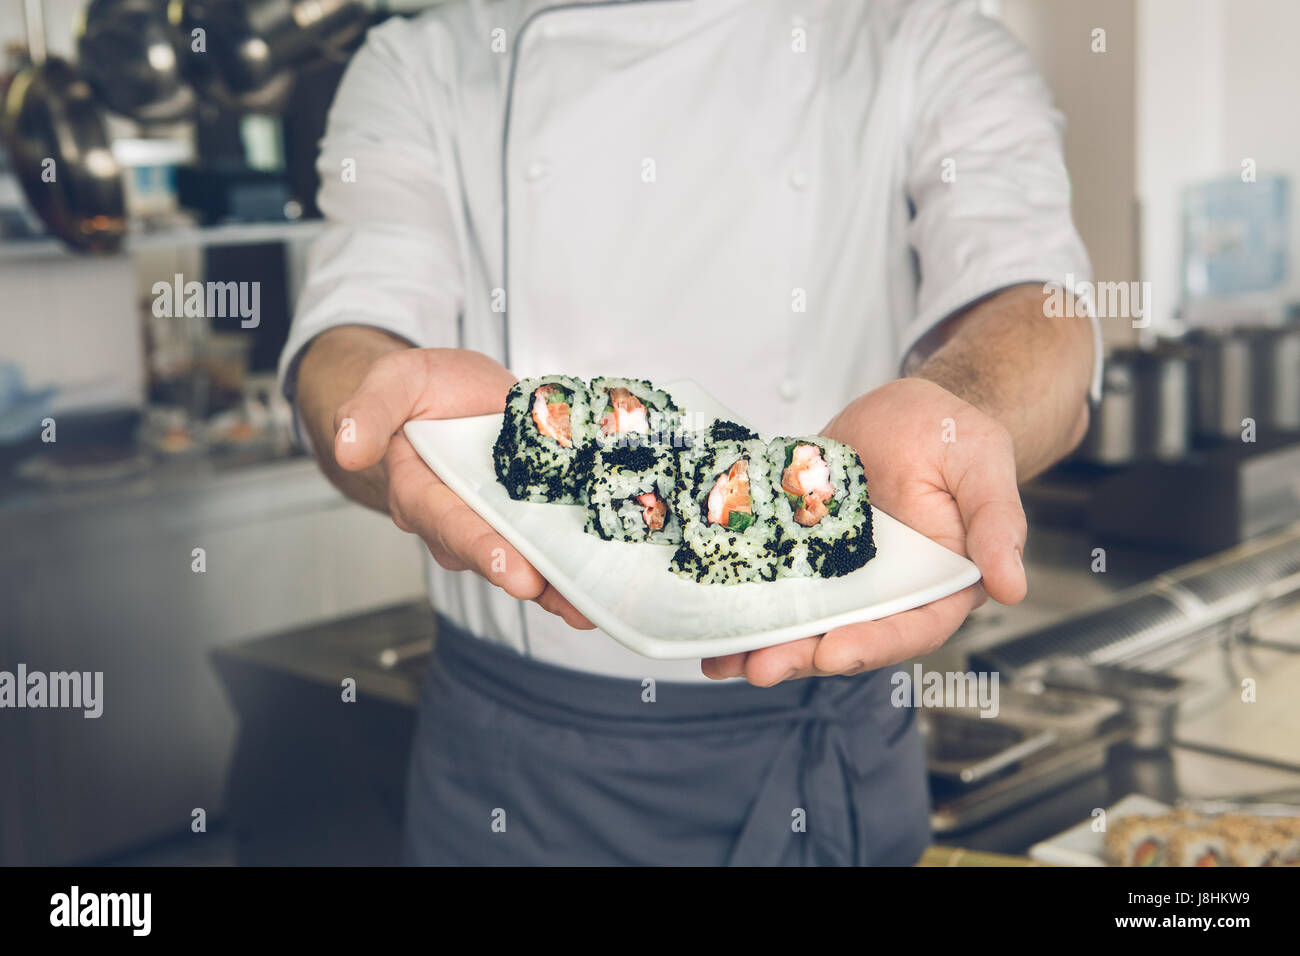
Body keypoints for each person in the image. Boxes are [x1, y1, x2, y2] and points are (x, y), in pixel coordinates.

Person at [279, 0, 1100, 865]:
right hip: (519, 772)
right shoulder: (423, 60)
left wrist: (955, 409)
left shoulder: (922, 36)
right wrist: (392, 418)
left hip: (822, 737)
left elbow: (1042, 307)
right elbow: (350, 333)